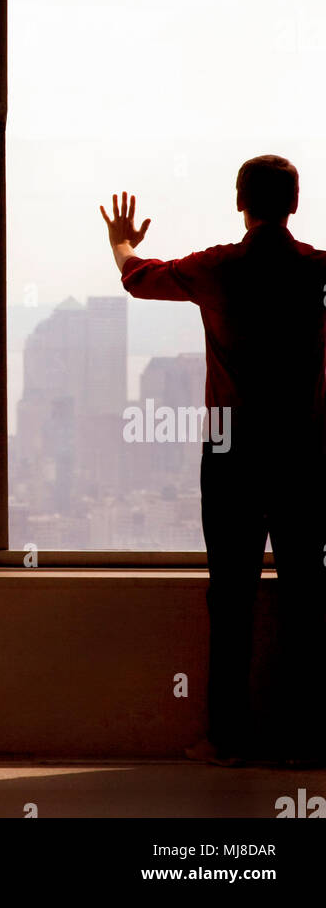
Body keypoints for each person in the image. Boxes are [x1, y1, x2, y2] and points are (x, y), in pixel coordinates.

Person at [100, 157, 326, 767]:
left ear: (240, 203)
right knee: (308, 593)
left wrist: (120, 240)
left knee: (232, 596)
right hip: (305, 455)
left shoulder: (217, 269)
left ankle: (228, 739)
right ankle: (307, 740)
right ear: (295, 205)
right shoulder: (316, 273)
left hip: (232, 454)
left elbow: (138, 276)